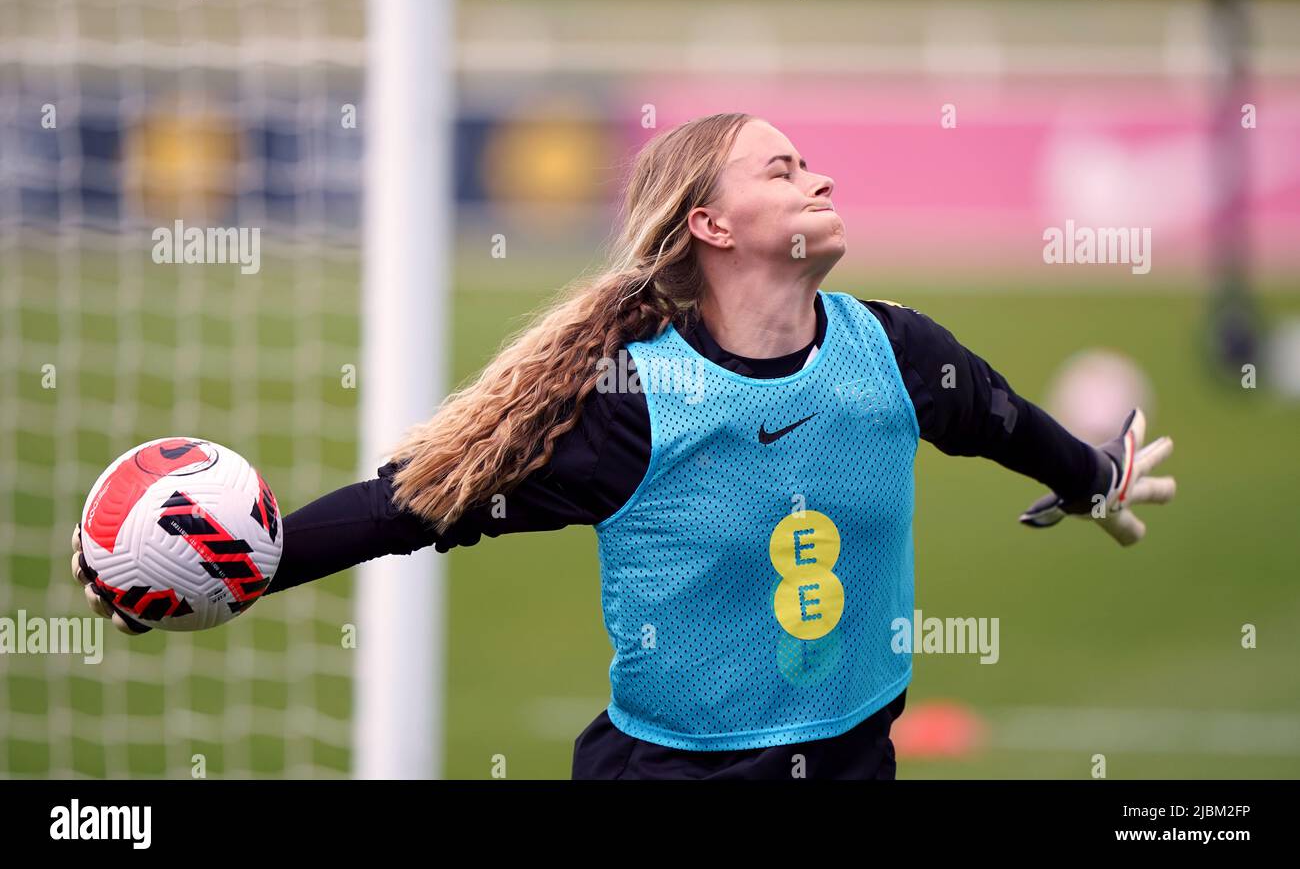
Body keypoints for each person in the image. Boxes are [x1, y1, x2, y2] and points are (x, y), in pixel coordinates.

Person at [72, 113, 1176, 779]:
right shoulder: (632, 407)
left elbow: (1008, 426)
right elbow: (411, 507)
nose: (820, 179)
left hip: (852, 763)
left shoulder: (896, 352)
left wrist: (1095, 481)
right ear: (711, 225)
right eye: (782, 170)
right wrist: (238, 567)